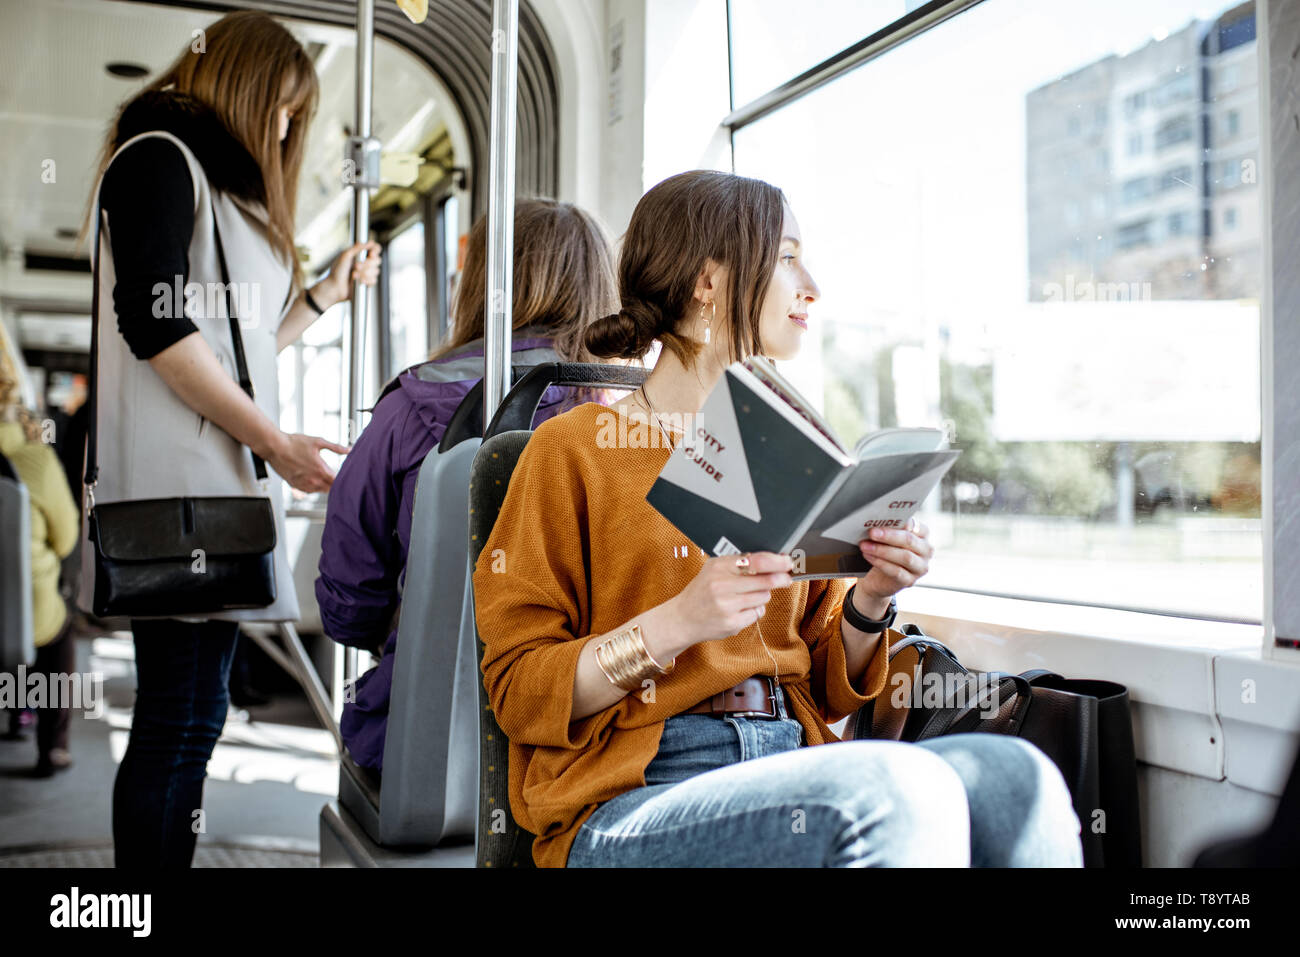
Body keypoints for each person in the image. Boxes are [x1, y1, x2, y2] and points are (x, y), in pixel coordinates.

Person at [472, 170, 1085, 868]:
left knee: (1020, 779)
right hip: (635, 791)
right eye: (788, 255)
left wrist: (873, 598)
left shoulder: (781, 456)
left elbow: (826, 687)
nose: (811, 284)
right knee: (891, 790)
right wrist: (679, 622)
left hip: (788, 754)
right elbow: (519, 691)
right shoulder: (573, 450)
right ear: (710, 280)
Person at [81, 11, 381, 867]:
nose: (286, 129)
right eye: (285, 109)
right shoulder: (157, 159)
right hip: (183, 495)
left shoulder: (201, 179)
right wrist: (277, 444)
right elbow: (159, 334)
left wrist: (320, 296)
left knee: (193, 714)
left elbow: (230, 350)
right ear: (248, 89)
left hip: (211, 492)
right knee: (177, 718)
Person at [316, 199, 618, 772]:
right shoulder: (630, 417)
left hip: (430, 743)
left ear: (479, 282)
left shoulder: (408, 407)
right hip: (590, 743)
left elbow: (346, 602)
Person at [0, 333, 79, 776]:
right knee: (55, 622)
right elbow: (66, 540)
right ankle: (53, 745)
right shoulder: (34, 460)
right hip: (21, 615)